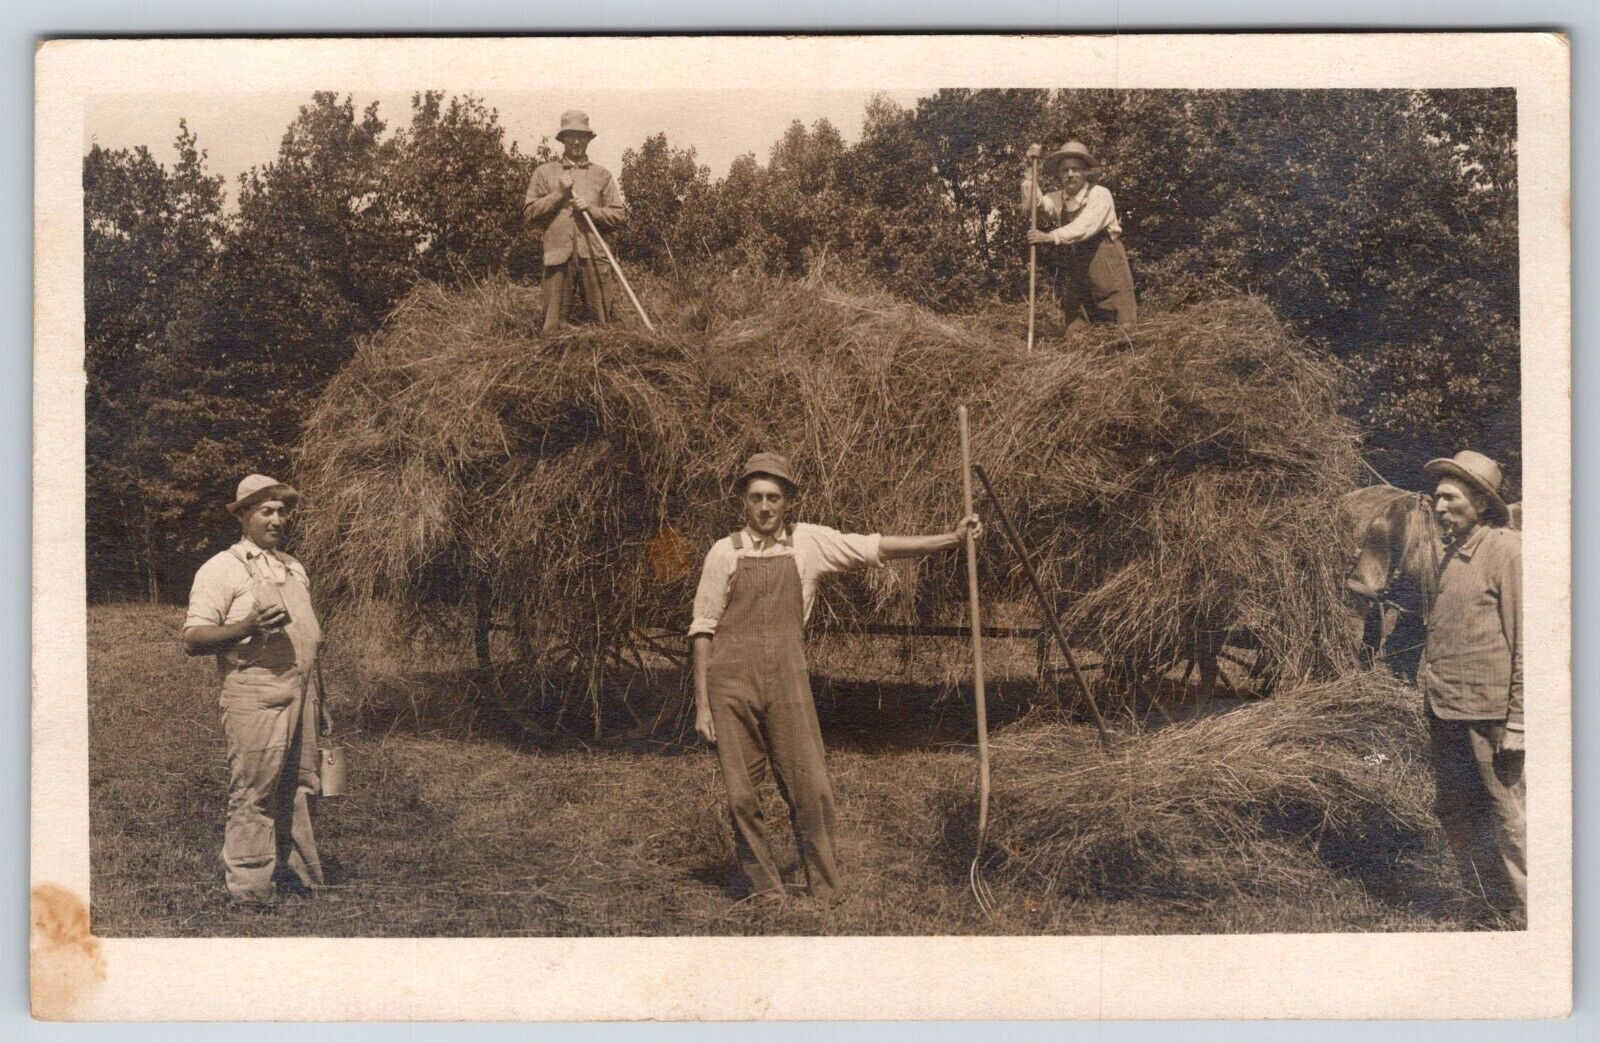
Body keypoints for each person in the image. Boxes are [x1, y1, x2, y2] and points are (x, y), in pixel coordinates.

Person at [688, 453, 982, 902]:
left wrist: (951, 539)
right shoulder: (723, 552)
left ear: (787, 502)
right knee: (742, 796)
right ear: (743, 502)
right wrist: (704, 705)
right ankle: (765, 888)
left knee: (812, 787)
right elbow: (703, 629)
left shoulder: (808, 543)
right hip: (729, 681)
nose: (765, 507)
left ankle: (825, 887)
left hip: (787, 678)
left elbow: (877, 546)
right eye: (755, 498)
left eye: (773, 497)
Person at [183, 474, 330, 907]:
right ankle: (250, 892)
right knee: (254, 792)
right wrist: (245, 628)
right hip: (256, 694)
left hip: (301, 694)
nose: (277, 519)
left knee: (300, 786)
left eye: (283, 511)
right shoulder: (222, 568)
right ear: (244, 515)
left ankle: (296, 876)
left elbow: (309, 641)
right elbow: (193, 639)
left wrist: (321, 699)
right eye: (266, 510)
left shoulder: (292, 567)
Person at [1419, 450, 1524, 922]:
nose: (1438, 508)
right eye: (1436, 497)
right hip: (1446, 709)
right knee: (1458, 810)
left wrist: (1519, 722)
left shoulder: (1508, 551)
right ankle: (1484, 907)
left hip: (1491, 716)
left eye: (1449, 497)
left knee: (1509, 820)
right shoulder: (1450, 554)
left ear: (1480, 502)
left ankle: (1531, 921)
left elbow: (1529, 643)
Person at [523, 110, 627, 332]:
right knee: (552, 326)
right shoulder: (545, 173)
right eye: (571, 136)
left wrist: (592, 210)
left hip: (595, 256)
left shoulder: (603, 175)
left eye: (582, 136)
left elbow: (619, 216)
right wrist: (559, 194)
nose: (577, 141)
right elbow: (530, 213)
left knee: (603, 325)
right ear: (562, 139)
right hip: (558, 256)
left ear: (589, 140)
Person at [1021, 140, 1137, 336]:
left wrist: (1051, 236)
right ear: (1059, 174)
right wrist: (1028, 171)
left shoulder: (1100, 195)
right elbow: (1033, 206)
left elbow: (1085, 226)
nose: (1070, 174)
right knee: (1076, 332)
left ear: (1086, 172)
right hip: (1079, 275)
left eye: (1075, 169)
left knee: (1120, 333)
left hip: (1109, 271)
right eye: (1065, 170)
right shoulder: (1058, 199)